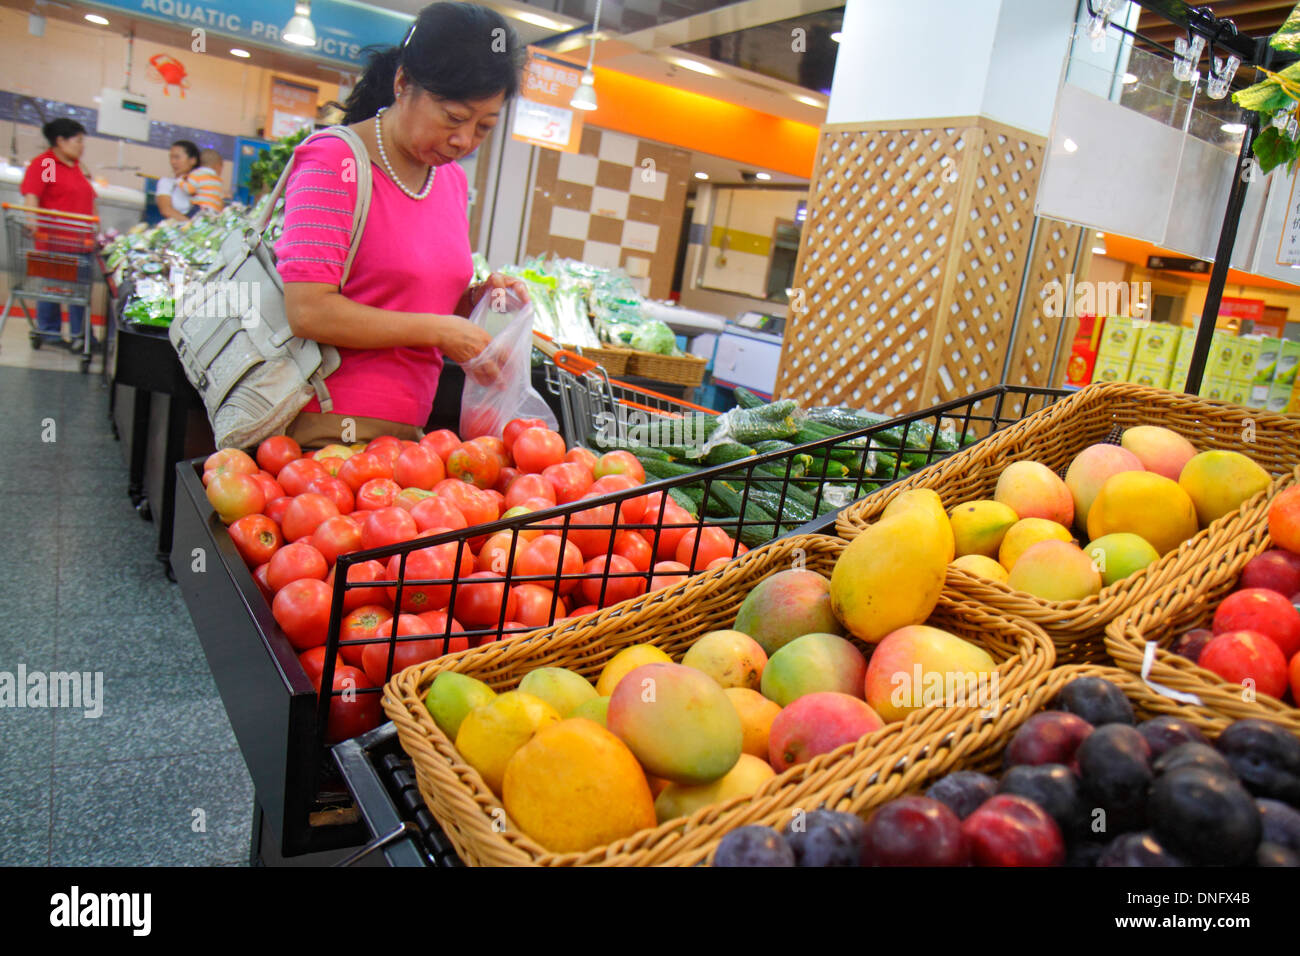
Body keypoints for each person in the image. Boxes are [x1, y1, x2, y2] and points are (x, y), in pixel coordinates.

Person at [277, 1, 529, 446]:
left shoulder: (448, 179)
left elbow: (414, 298)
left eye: (484, 127)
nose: (463, 141)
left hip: (409, 433)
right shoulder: (335, 161)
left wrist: (480, 303)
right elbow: (307, 310)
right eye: (453, 118)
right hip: (322, 428)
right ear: (402, 82)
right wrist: (439, 330)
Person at [20, 118, 99, 348]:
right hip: (56, 239)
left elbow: (86, 196)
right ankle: (50, 333)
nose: (82, 146)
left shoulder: (74, 167)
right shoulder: (49, 165)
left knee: (79, 293)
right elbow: (34, 194)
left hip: (80, 242)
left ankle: (81, 336)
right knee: (53, 289)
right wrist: (32, 221)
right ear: (60, 141)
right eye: (78, 140)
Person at [155, 140, 199, 220]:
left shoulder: (201, 185)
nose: (173, 162)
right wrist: (190, 226)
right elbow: (166, 210)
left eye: (177, 157)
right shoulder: (166, 182)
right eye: (171, 157)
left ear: (192, 160)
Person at [182, 148, 225, 213]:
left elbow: (190, 190)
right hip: (213, 210)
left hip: (199, 208)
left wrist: (180, 181)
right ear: (217, 165)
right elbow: (219, 201)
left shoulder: (196, 174)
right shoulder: (217, 181)